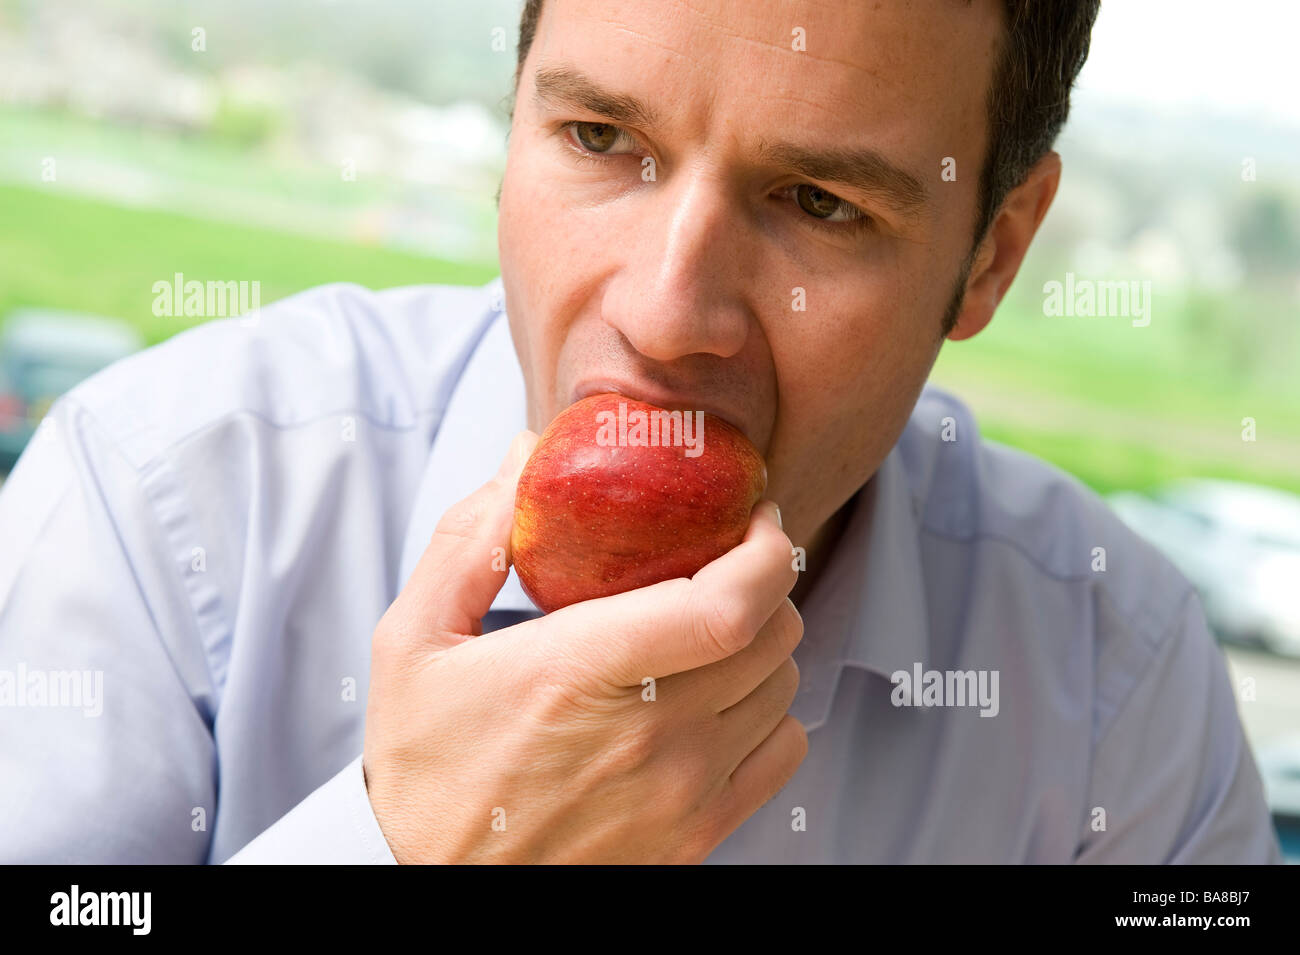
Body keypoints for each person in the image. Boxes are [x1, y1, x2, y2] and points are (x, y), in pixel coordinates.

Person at [0, 0, 1281, 864]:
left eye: (819, 203)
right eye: (600, 138)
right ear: (509, 133)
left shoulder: (1122, 686)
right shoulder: (159, 499)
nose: (666, 315)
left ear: (991, 255)